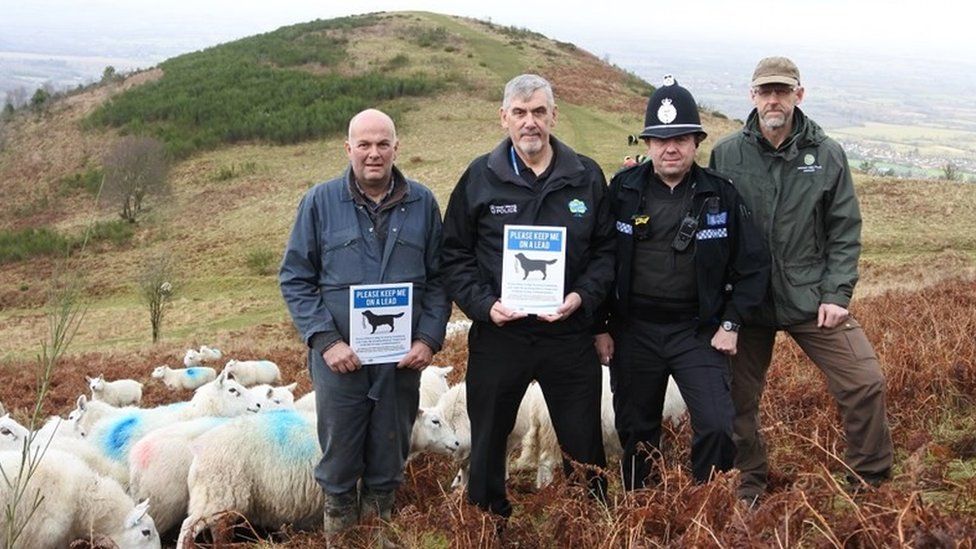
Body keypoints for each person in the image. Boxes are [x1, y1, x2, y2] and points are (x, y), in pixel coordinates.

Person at [709, 57, 894, 504]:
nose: (774, 100)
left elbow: (844, 230)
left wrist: (836, 294)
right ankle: (749, 484)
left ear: (799, 94)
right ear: (752, 96)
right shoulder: (727, 153)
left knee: (864, 381)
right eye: (765, 91)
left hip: (810, 296)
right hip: (747, 302)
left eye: (782, 91)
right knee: (734, 399)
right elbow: (715, 227)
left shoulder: (826, 154)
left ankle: (870, 484)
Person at [441, 74, 614, 519]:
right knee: (488, 443)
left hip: (568, 335)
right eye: (519, 113)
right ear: (504, 118)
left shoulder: (586, 176)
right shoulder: (479, 177)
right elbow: (453, 254)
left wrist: (582, 297)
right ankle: (486, 526)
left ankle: (589, 524)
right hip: (501, 335)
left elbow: (606, 253)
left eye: (538, 111)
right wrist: (484, 305)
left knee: (583, 443)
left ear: (554, 115)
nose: (529, 122)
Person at [279, 109, 450, 538]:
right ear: (348, 148)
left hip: (400, 364)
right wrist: (326, 340)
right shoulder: (319, 202)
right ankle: (340, 540)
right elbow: (295, 278)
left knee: (388, 461)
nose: (374, 153)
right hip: (340, 364)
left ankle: (377, 538)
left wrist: (428, 339)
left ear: (396, 147)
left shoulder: (422, 203)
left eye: (382, 144)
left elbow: (440, 279)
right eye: (364, 145)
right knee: (338, 465)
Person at [594, 76, 769, 490]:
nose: (670, 148)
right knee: (636, 431)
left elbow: (754, 267)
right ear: (647, 143)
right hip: (633, 331)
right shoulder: (622, 190)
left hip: (698, 332)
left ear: (696, 143)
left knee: (717, 425)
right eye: (660, 139)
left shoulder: (721, 195)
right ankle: (644, 507)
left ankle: (704, 504)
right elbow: (599, 259)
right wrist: (599, 326)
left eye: (680, 139)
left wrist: (731, 324)